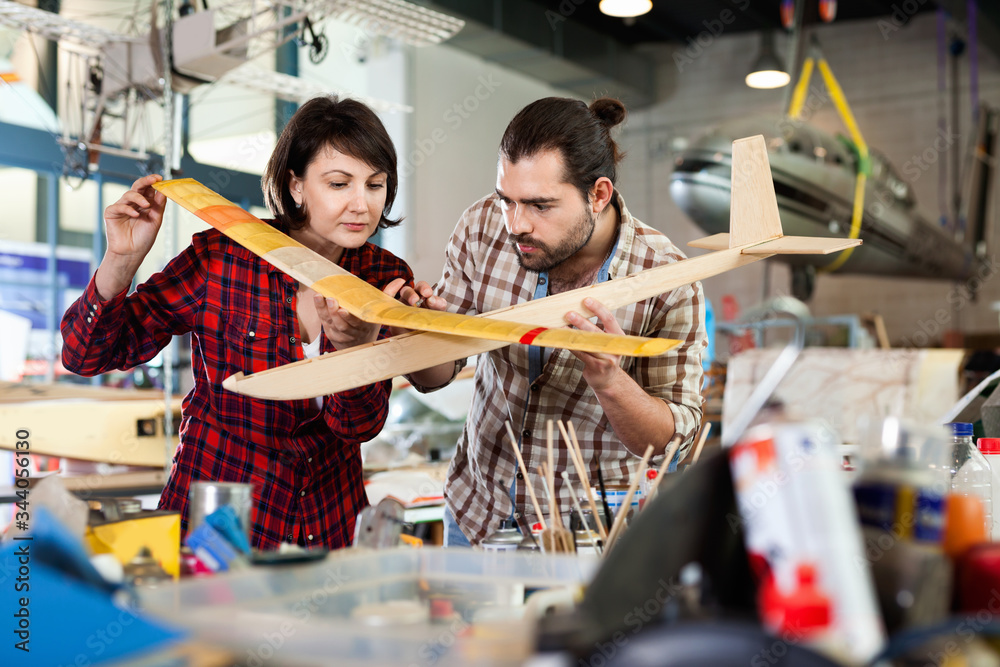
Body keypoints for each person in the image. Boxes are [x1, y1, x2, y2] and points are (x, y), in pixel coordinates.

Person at [61, 97, 414, 550]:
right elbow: (84, 354)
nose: (361, 204)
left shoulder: (383, 276)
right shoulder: (223, 257)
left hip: (325, 532)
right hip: (213, 529)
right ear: (296, 185)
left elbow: (358, 426)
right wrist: (121, 261)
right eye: (339, 183)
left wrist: (352, 351)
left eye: (376, 185)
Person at [402, 96, 706, 547]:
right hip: (478, 516)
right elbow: (435, 375)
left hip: (592, 538)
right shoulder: (483, 228)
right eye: (508, 200)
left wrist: (610, 380)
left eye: (540, 206)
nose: (516, 224)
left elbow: (667, 446)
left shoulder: (667, 279)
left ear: (598, 195)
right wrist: (421, 333)